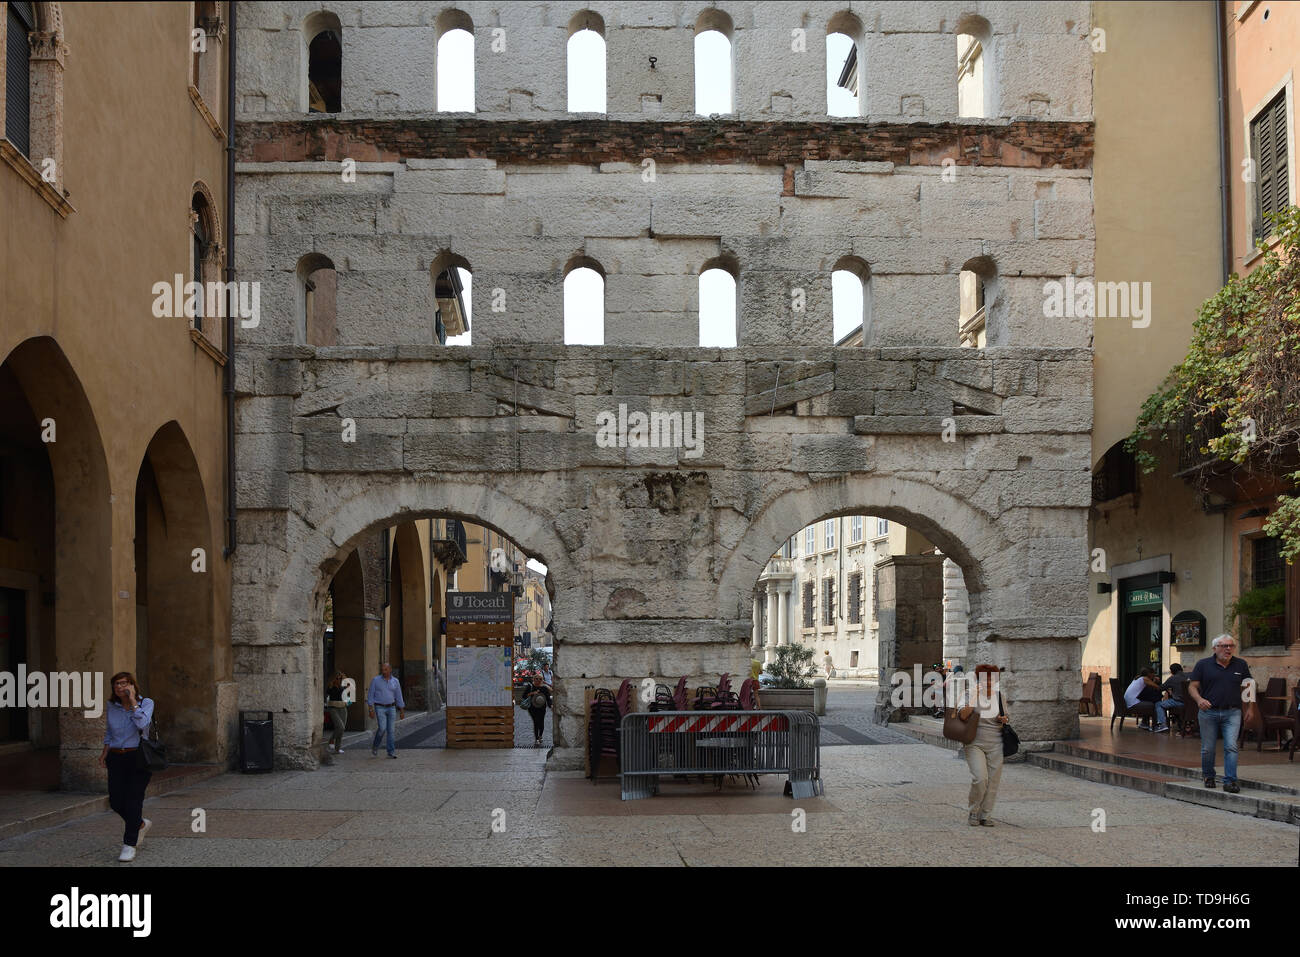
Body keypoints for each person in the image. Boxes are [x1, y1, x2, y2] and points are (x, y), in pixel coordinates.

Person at [99, 672, 155, 862]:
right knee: (115, 801)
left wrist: (132, 701)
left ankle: (129, 844)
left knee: (133, 800)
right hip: (116, 757)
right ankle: (139, 824)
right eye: (116, 684)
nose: (119, 687)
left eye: (124, 683)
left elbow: (142, 722)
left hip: (138, 757)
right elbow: (109, 730)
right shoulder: (111, 706)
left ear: (132, 685)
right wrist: (105, 752)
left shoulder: (146, 703)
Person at [1187, 635, 1253, 792]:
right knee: (1208, 748)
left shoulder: (1241, 664)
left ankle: (1230, 781)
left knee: (1231, 746)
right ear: (1215, 648)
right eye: (1224, 646)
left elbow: (1248, 686)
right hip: (1208, 712)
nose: (1228, 649)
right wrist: (1199, 700)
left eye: (1231, 646)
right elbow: (1192, 686)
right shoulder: (1203, 665)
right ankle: (1208, 775)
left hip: (1233, 712)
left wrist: (1250, 708)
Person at [956, 664, 1010, 826]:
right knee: (980, 778)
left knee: (993, 781)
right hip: (974, 743)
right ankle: (973, 811)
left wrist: (1003, 719)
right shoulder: (967, 694)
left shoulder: (1000, 696)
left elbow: (1005, 716)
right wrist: (975, 697)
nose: (989, 682)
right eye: (985, 678)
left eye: (992, 679)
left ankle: (985, 815)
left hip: (996, 743)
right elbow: (963, 715)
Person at [367, 662, 406, 758]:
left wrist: (401, 710)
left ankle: (391, 751)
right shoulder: (375, 680)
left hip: (392, 707)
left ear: (390, 670)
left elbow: (399, 696)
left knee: (391, 731)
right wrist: (370, 709)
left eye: (385, 669)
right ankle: (375, 746)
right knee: (382, 728)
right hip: (379, 707)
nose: (383, 671)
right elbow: (370, 695)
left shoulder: (395, 681)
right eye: (382, 670)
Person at [1152, 663, 1188, 733]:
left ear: (1172, 671)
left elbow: (1160, 688)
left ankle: (1163, 725)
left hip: (1178, 702)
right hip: (1190, 704)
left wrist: (1155, 682)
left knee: (1159, 704)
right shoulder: (1188, 675)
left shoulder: (1172, 678)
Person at [520, 669, 551, 748]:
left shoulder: (544, 688)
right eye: (536, 679)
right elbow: (524, 696)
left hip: (542, 707)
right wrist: (532, 693)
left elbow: (548, 698)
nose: (538, 680)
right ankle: (537, 738)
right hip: (532, 707)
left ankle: (540, 735)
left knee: (541, 722)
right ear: (533, 679)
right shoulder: (530, 686)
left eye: (540, 679)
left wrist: (551, 705)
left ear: (542, 680)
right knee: (536, 721)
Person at [326, 671, 349, 753]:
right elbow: (329, 693)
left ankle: (337, 749)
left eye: (340, 678)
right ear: (334, 678)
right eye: (337, 678)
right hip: (333, 708)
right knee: (340, 727)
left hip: (343, 707)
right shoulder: (331, 686)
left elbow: (347, 695)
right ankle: (331, 740)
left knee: (341, 729)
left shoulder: (344, 686)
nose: (339, 679)